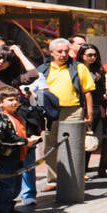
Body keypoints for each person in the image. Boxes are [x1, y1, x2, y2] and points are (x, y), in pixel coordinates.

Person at [40, 37, 95, 186]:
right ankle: (53, 180)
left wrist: (89, 113)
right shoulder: (43, 69)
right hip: (49, 113)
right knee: (49, 145)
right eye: (59, 51)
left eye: (66, 51)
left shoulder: (79, 67)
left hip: (73, 110)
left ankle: (73, 180)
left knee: (73, 145)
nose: (63, 54)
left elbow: (87, 92)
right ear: (51, 52)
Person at [0, 86, 39, 213]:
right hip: (6, 156)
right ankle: (2, 212)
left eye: (16, 99)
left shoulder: (17, 115)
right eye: (10, 100)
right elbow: (7, 138)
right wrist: (26, 141)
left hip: (18, 155)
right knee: (8, 185)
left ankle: (7, 208)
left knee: (15, 185)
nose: (14, 103)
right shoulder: (1, 118)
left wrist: (27, 140)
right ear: (0, 103)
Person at [78, 45, 107, 174]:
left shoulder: (98, 70)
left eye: (95, 55)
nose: (93, 57)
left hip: (94, 107)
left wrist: (101, 105)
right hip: (79, 107)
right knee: (79, 140)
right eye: (89, 55)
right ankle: (78, 170)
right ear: (82, 55)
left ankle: (84, 169)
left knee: (89, 138)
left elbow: (102, 90)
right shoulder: (76, 68)